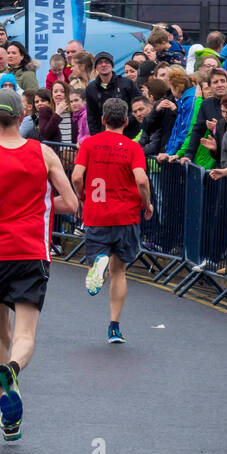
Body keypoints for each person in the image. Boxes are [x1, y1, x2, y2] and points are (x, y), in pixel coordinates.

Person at [0, 88, 78, 441]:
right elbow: (71, 203)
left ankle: (8, 416)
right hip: (32, 251)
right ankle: (14, 370)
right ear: (22, 116)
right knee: (25, 334)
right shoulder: (44, 154)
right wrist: (42, 205)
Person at [71, 97, 153, 345]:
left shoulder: (89, 144)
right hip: (125, 216)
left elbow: (76, 175)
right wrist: (146, 204)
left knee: (99, 262)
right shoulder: (132, 147)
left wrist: (82, 195)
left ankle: (98, 265)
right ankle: (114, 327)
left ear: (103, 119)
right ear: (126, 121)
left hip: (97, 215)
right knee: (120, 273)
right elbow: (141, 179)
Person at [84, 51, 137, 139]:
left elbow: (136, 106)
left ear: (112, 65)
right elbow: (91, 116)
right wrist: (95, 138)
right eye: (100, 62)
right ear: (96, 67)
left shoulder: (127, 83)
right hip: (104, 136)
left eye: (107, 62)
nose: (103, 65)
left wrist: (125, 123)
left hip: (128, 133)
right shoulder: (91, 88)